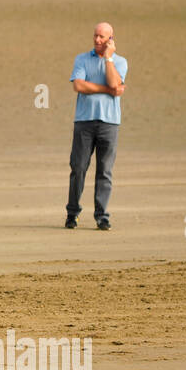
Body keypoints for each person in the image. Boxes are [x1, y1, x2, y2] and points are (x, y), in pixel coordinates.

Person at [66, 22, 127, 230]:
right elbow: (79, 85)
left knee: (105, 171)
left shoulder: (120, 62)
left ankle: (102, 216)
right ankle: (72, 213)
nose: (97, 40)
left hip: (109, 123)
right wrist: (107, 90)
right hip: (84, 121)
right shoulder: (82, 59)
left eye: (102, 37)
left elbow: (114, 84)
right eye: (95, 35)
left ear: (111, 39)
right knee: (78, 168)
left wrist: (109, 58)